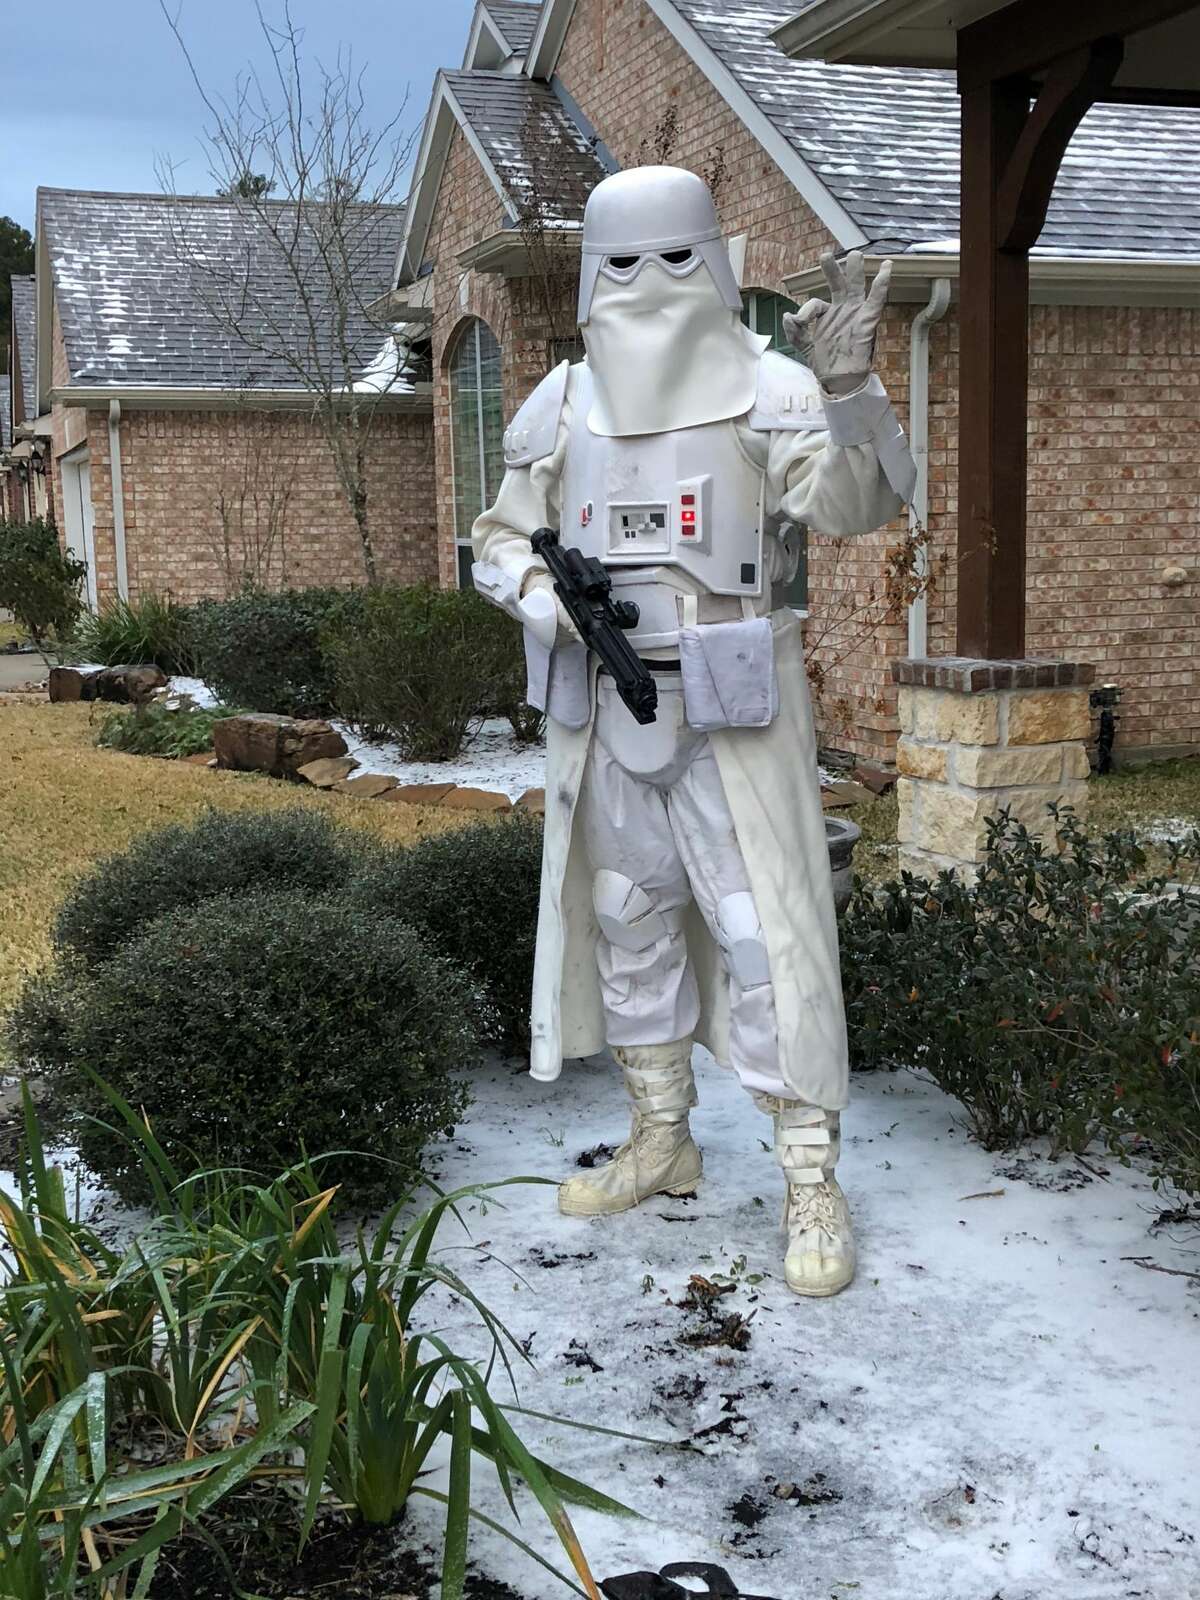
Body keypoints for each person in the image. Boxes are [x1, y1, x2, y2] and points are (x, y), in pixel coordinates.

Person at [471, 165, 914, 1297]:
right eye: (622, 262)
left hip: (732, 707)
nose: (648, 283)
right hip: (605, 707)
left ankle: (809, 1174)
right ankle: (660, 1136)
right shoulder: (564, 402)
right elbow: (501, 535)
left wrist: (853, 392)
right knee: (630, 921)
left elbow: (857, 504)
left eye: (672, 257)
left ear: (712, 261)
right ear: (590, 275)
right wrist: (537, 595)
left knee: (766, 934)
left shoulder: (772, 388)